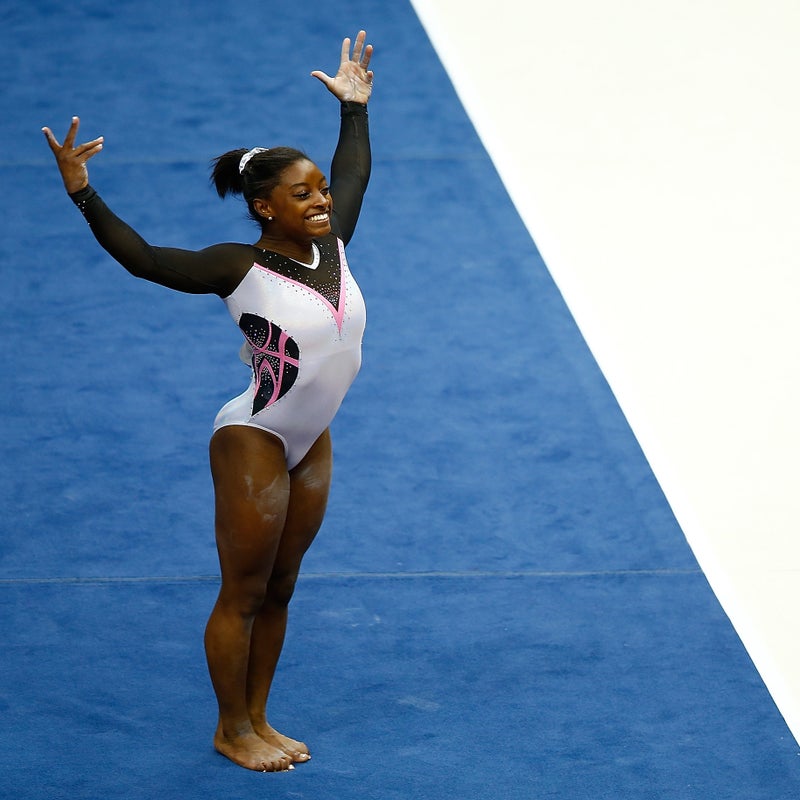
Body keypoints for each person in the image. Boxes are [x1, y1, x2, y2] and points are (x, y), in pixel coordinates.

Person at [42, 30, 374, 773]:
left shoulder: (335, 243)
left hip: (313, 434)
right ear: (263, 208)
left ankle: (260, 718)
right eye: (302, 194)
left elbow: (354, 172)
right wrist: (82, 191)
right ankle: (231, 729)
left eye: (320, 190)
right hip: (256, 435)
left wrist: (353, 109)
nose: (322, 200)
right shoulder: (238, 267)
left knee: (281, 587)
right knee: (245, 590)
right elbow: (145, 260)